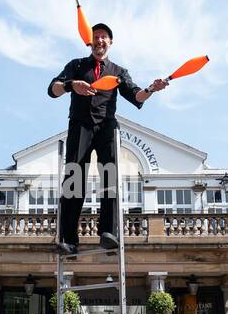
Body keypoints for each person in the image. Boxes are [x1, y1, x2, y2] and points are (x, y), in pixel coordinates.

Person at [47, 23, 168, 255]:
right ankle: (68, 239)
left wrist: (151, 89)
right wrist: (72, 85)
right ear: (90, 42)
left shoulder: (118, 71)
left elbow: (136, 96)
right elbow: (52, 90)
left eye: (104, 37)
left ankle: (108, 232)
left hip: (106, 126)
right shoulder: (76, 65)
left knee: (109, 176)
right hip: (80, 126)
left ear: (110, 42)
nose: (99, 40)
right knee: (74, 180)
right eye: (96, 37)